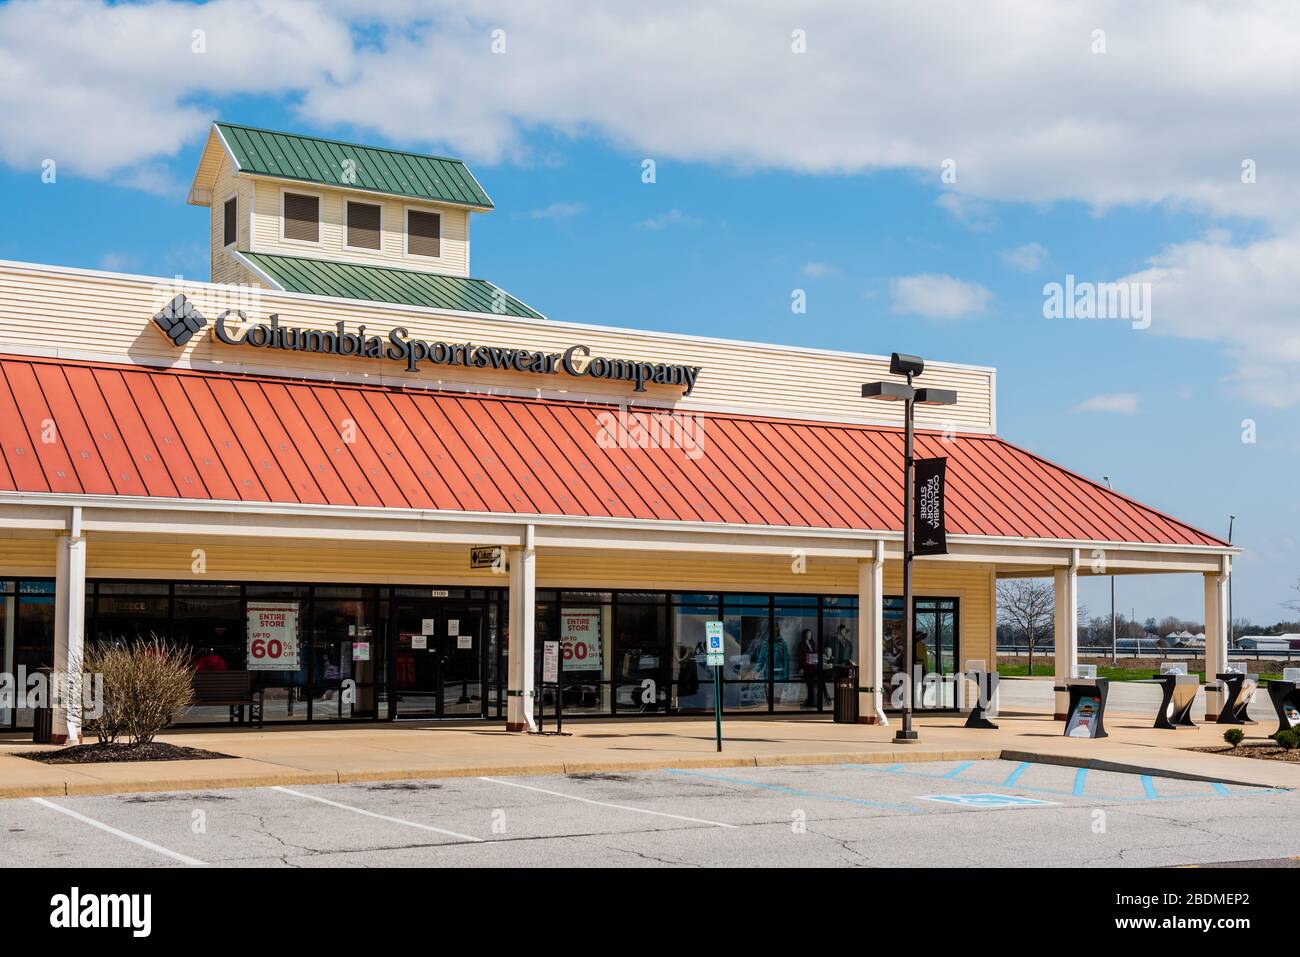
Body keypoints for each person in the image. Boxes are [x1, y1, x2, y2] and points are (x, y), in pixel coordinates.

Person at [797, 629, 818, 708]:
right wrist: (802, 666)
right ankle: (810, 702)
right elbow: (800, 657)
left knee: (812, 686)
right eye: (808, 634)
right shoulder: (801, 645)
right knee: (809, 685)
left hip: (813, 667)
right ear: (804, 635)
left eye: (810, 634)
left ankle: (811, 701)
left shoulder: (813, 643)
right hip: (806, 668)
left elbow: (815, 653)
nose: (809, 635)